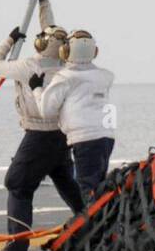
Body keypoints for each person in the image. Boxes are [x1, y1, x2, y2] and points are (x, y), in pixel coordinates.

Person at [0, 0, 83, 251]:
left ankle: (15, 247)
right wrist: (44, 1)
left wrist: (9, 40)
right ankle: (94, 224)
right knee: (70, 188)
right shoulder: (67, 67)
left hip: (38, 136)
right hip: (63, 135)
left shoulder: (28, 66)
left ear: (39, 45)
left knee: (17, 184)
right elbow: (50, 32)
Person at [35, 31, 115, 207]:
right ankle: (103, 220)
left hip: (85, 138)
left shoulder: (65, 78)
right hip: (107, 136)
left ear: (66, 51)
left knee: (87, 188)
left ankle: (95, 227)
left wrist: (36, 89)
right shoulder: (104, 76)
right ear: (94, 52)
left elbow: (46, 110)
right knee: (99, 185)